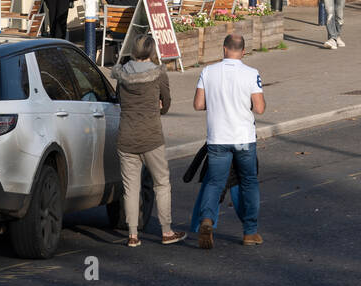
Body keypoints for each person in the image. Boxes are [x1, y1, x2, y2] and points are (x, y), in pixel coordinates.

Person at [193, 34, 265, 248]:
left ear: (224, 49)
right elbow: (259, 108)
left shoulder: (208, 71)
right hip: (243, 138)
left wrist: (215, 104)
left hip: (217, 138)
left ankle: (207, 219)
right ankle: (250, 232)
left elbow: (198, 104)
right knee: (248, 182)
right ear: (243, 51)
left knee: (215, 182)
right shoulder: (252, 74)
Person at [113, 35, 185, 246]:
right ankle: (166, 231)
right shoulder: (158, 74)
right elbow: (167, 102)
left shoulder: (122, 74)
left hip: (126, 137)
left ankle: (133, 235)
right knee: (161, 183)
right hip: (151, 136)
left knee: (130, 188)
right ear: (152, 51)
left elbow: (118, 99)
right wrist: (158, 109)